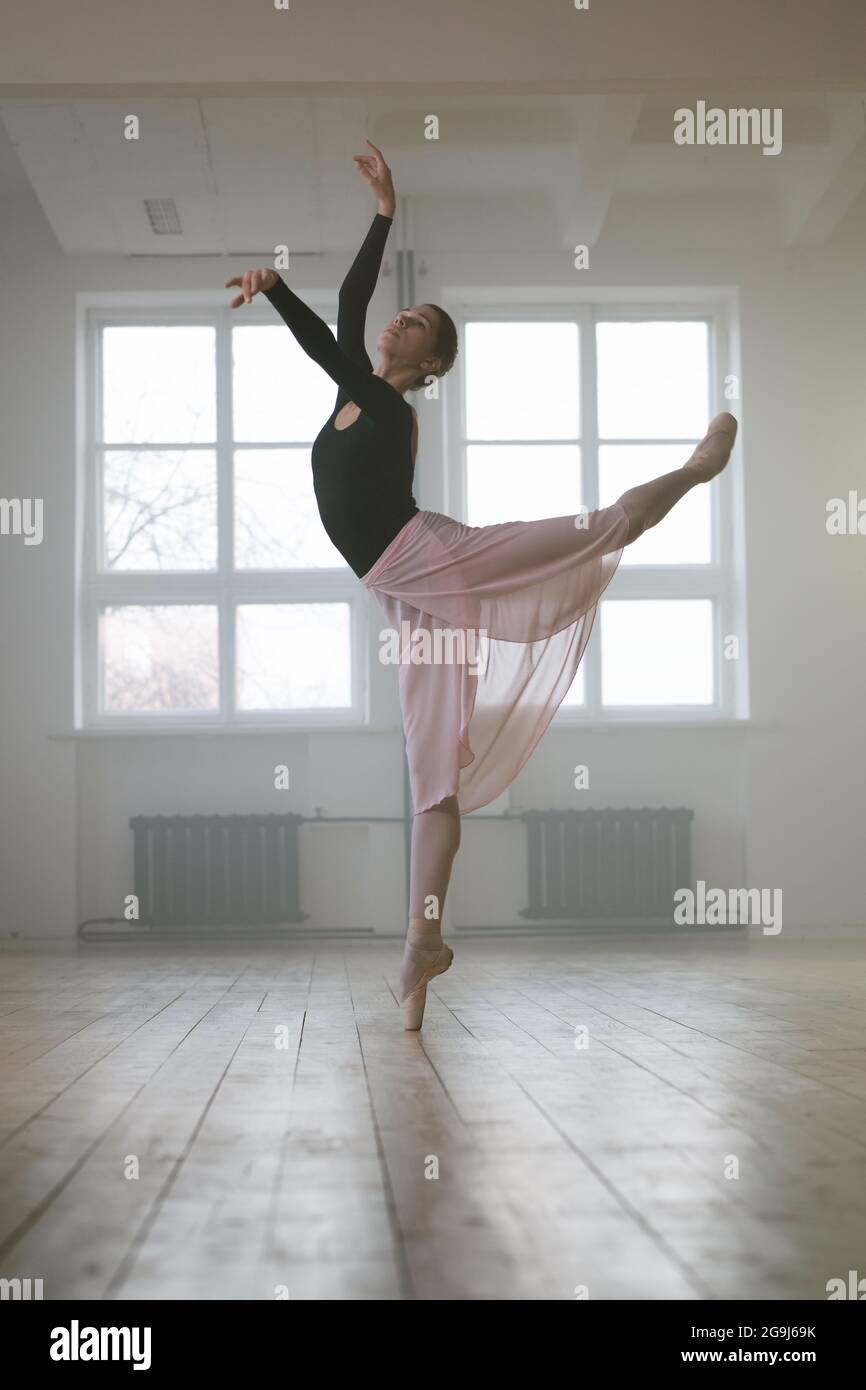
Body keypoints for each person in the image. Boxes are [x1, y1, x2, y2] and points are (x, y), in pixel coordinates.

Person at [226, 141, 737, 1030]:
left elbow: (333, 319)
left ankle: (694, 469)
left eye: (416, 322)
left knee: (585, 531)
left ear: (431, 364)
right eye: (405, 314)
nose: (397, 321)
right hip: (408, 596)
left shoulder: (388, 405)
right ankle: (423, 950)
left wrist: (283, 286)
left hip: (436, 557)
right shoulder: (354, 397)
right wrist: (381, 212)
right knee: (430, 783)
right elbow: (348, 312)